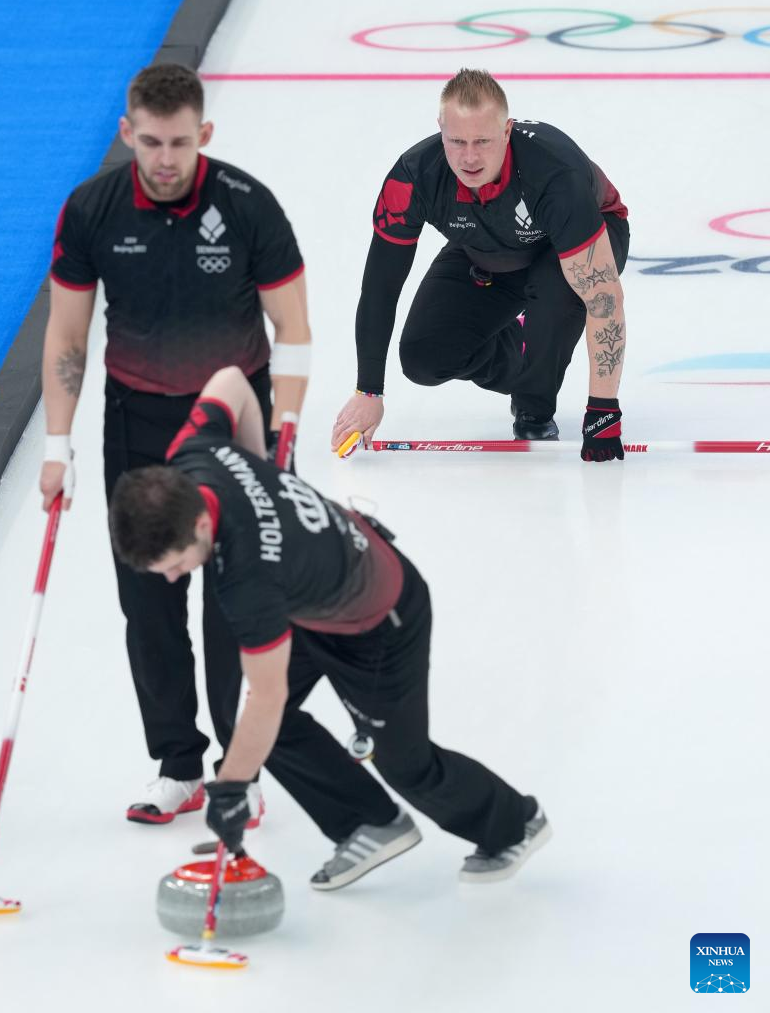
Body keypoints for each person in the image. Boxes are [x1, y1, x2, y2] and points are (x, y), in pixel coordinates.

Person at [108, 365, 551, 888]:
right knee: (252, 723)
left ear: (202, 525)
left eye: (177, 564)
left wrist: (228, 789)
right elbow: (229, 379)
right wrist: (260, 468)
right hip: (318, 596)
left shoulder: (246, 576)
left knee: (406, 766)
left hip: (382, 620)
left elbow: (267, 695)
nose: (176, 576)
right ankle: (368, 821)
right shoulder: (193, 455)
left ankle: (514, 822)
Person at [39, 63, 311, 823]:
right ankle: (178, 764)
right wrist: (56, 445)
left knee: (235, 601)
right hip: (138, 423)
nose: (164, 159)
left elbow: (292, 330)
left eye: (180, 144)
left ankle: (240, 766)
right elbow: (67, 334)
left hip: (234, 424)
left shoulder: (249, 206)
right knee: (148, 601)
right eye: (150, 142)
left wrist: (282, 440)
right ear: (126, 133)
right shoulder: (91, 209)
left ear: (205, 136)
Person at [331, 68, 630, 461]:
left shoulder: (554, 174)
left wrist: (603, 410)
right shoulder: (413, 176)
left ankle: (534, 401)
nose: (470, 157)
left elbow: (603, 299)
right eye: (457, 141)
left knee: (554, 301)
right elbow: (380, 288)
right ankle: (526, 353)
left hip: (579, 239)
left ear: (506, 132)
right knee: (424, 357)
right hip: (487, 248)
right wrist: (368, 391)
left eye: (483, 141)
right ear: (440, 129)